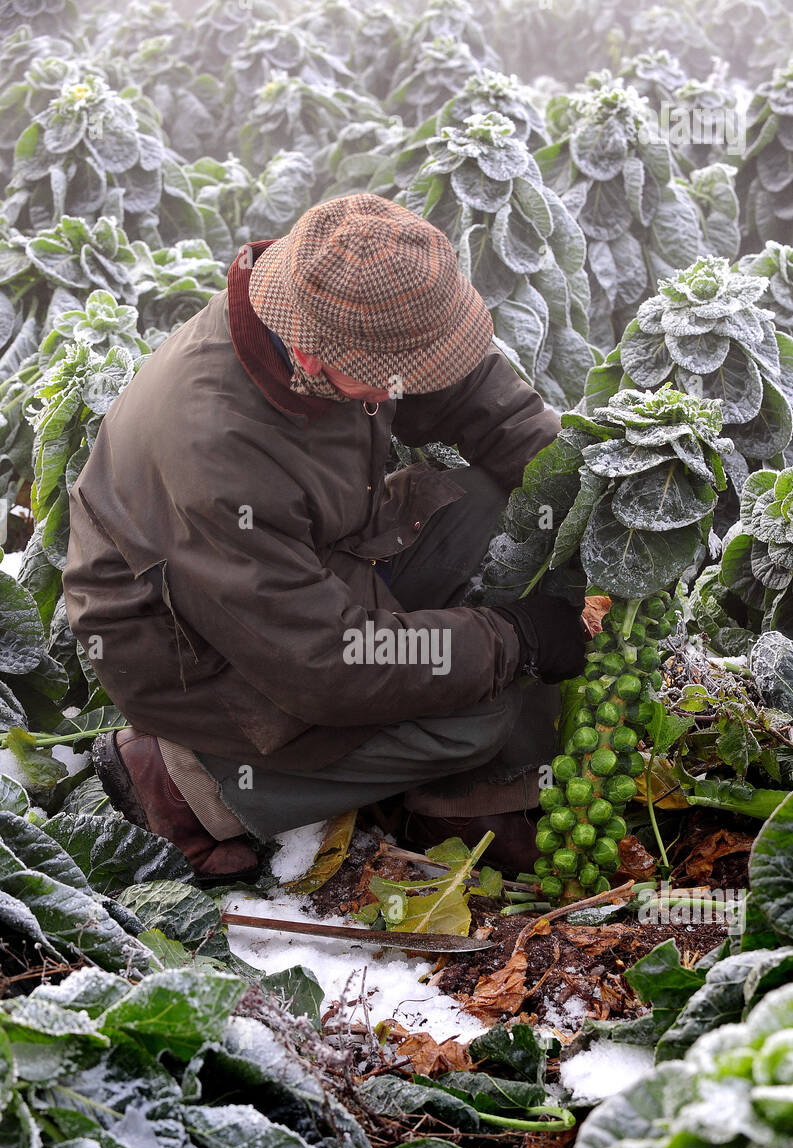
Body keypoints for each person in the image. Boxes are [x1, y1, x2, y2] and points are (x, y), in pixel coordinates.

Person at [62, 192, 587, 882]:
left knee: (507, 502)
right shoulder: (219, 451)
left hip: (308, 567)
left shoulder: (328, 299)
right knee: (470, 717)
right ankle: (184, 779)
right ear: (310, 358)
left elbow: (463, 386)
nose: (407, 387)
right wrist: (513, 639)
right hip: (193, 650)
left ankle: (464, 799)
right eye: (390, 379)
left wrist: (581, 495)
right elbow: (329, 667)